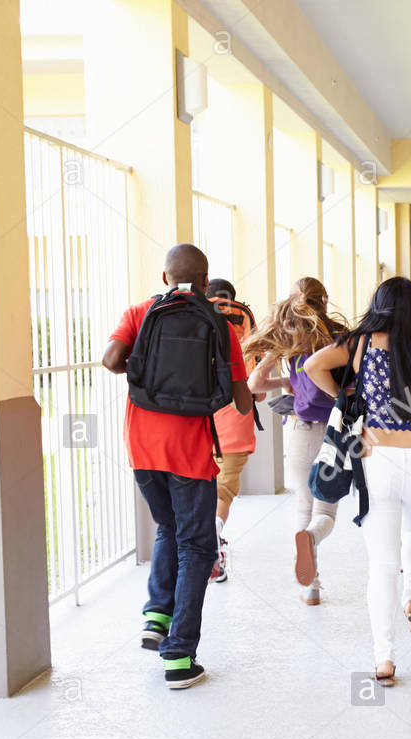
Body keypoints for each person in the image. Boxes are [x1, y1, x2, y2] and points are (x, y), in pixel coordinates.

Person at [304, 277, 411, 685]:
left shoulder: (359, 342)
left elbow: (312, 366)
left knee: (381, 564)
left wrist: (343, 400)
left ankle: (384, 660)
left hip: (375, 457)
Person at [102, 243, 253, 689]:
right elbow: (242, 400)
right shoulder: (220, 325)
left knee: (167, 527)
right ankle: (178, 657)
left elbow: (111, 360)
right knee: (198, 547)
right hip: (189, 453)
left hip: (142, 446)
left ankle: (155, 616)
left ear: (164, 277)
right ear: (205, 282)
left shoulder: (138, 312)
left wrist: (153, 372)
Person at [244, 277, 348, 605]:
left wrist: (288, 381)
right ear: (326, 302)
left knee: (303, 503)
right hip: (336, 430)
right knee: (325, 511)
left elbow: (254, 383)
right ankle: (312, 538)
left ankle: (311, 586)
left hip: (301, 432)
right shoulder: (341, 337)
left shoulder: (286, 336)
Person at [206, 278, 262, 583]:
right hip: (235, 417)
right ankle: (213, 538)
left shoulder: (196, 313)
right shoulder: (243, 319)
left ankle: (200, 542)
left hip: (196, 418)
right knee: (223, 490)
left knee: (197, 486)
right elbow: (258, 389)